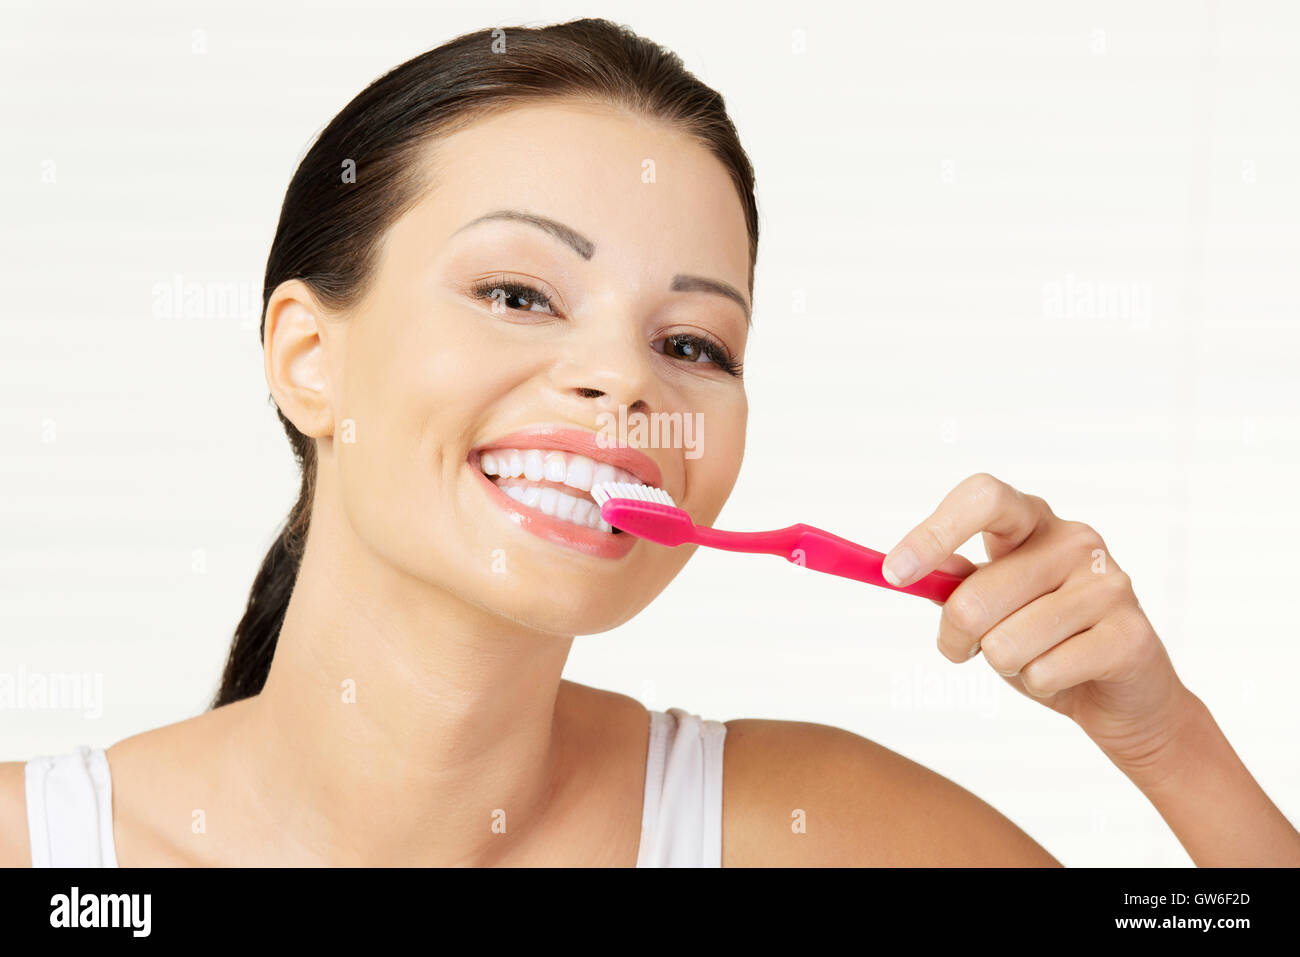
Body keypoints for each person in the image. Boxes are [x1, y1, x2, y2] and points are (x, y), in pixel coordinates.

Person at [4, 17, 1297, 867]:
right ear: (308, 355)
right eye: (518, 294)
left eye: (693, 344)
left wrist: (1163, 739)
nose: (622, 382)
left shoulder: (809, 834)